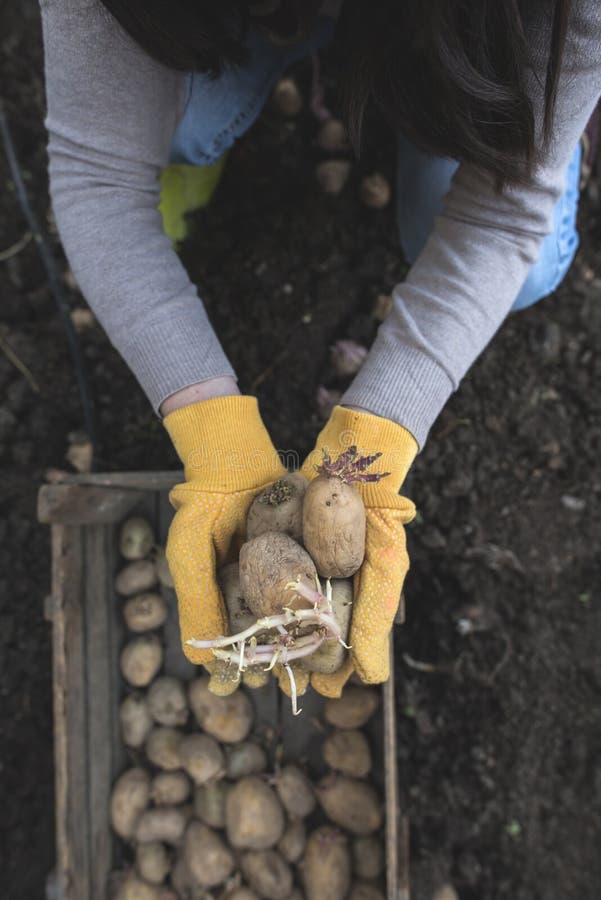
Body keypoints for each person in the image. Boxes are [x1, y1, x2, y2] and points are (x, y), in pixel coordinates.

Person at [40, 0, 601, 696]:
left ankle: (481, 107)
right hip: (259, 18)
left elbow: (506, 209)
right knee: (167, 121)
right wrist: (207, 423)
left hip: (459, 34)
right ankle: (296, 54)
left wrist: (388, 420)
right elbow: (98, 179)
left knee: (531, 261)